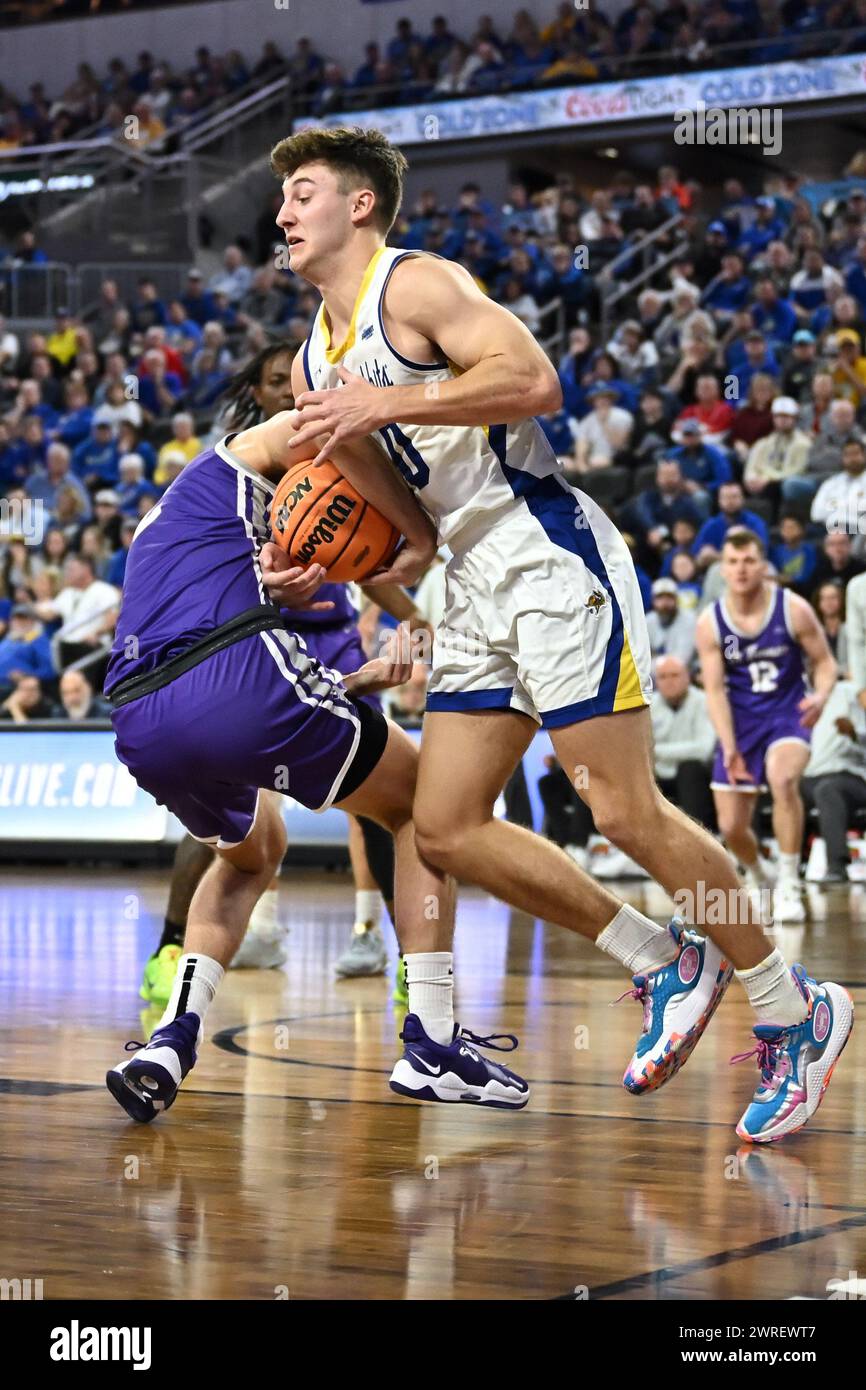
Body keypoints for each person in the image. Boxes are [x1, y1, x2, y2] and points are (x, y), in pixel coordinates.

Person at [277, 124, 853, 1140]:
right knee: (445, 825)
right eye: (283, 197)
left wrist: (389, 399)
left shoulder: (414, 287)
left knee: (622, 809)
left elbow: (537, 381)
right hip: (466, 571)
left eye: (304, 191)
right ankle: (658, 955)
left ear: (357, 205)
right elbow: (405, 534)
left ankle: (790, 1007)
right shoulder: (306, 367)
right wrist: (324, 560)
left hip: (544, 545)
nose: (282, 211)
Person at [697, 529, 838, 925]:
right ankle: (762, 878)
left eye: (748, 561)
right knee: (731, 825)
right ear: (722, 569)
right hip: (740, 721)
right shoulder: (711, 622)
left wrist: (822, 696)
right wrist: (729, 745)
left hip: (787, 714)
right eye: (733, 562)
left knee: (782, 778)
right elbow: (714, 691)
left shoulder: (792, 608)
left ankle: (790, 883)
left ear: (762, 566)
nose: (741, 569)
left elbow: (826, 662)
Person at [801, 680, 866, 884]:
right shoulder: (800, 694)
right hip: (812, 773)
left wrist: (855, 733)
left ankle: (837, 867)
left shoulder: (848, 692)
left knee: (828, 790)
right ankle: (789, 867)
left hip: (850, 776)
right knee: (783, 788)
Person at [650, 655, 716, 830]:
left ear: (687, 676)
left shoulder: (705, 701)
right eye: (663, 677)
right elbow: (638, 749)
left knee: (690, 768)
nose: (669, 681)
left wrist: (657, 751)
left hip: (695, 777)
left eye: (674, 675)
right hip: (658, 774)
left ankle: (701, 835)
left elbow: (704, 749)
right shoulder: (648, 704)